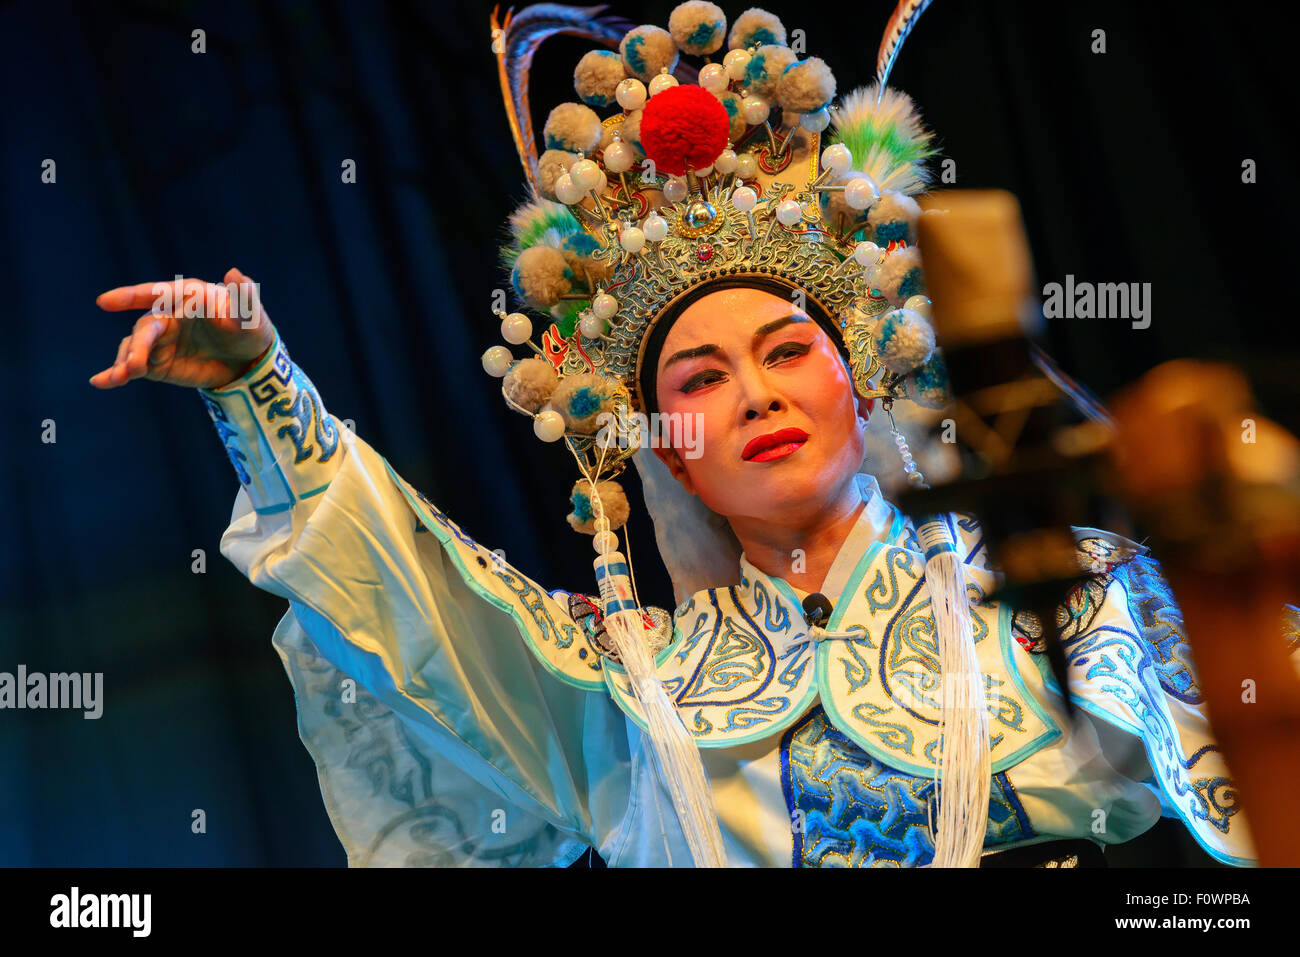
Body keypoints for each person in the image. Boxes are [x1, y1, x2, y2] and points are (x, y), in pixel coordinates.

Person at [88, 2, 1286, 867]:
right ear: (665, 445)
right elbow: (414, 598)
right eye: (703, 379)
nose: (757, 396)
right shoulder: (631, 687)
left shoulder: (1064, 595)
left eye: (786, 352)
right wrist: (258, 381)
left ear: (860, 382)